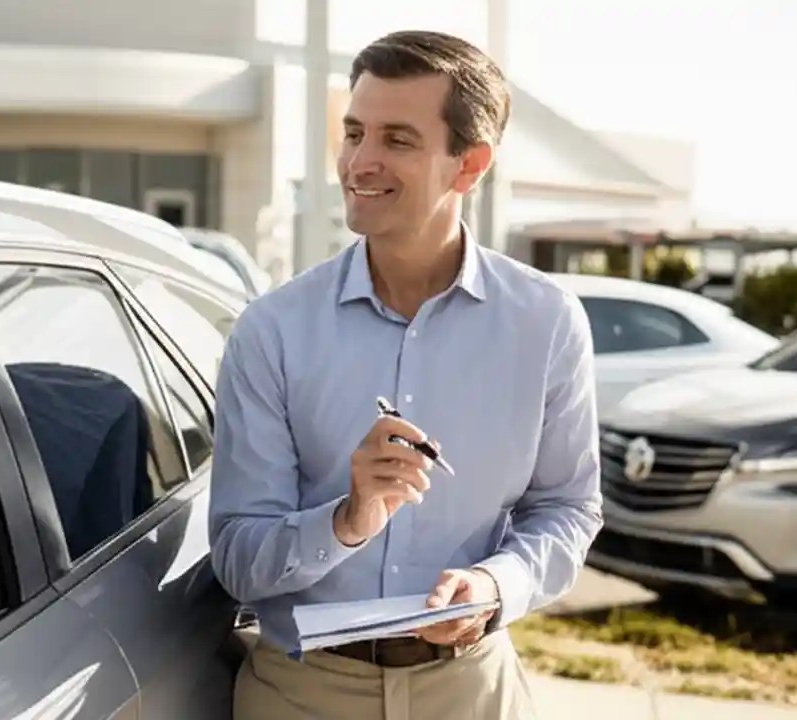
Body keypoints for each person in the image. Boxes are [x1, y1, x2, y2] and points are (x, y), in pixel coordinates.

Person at [208, 29, 603, 720]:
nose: (360, 161)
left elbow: (568, 508)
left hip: (474, 690)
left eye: (397, 139)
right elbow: (238, 558)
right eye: (354, 132)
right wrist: (348, 519)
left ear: (469, 165)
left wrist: (494, 583)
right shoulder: (272, 330)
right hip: (302, 694)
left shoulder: (546, 322)